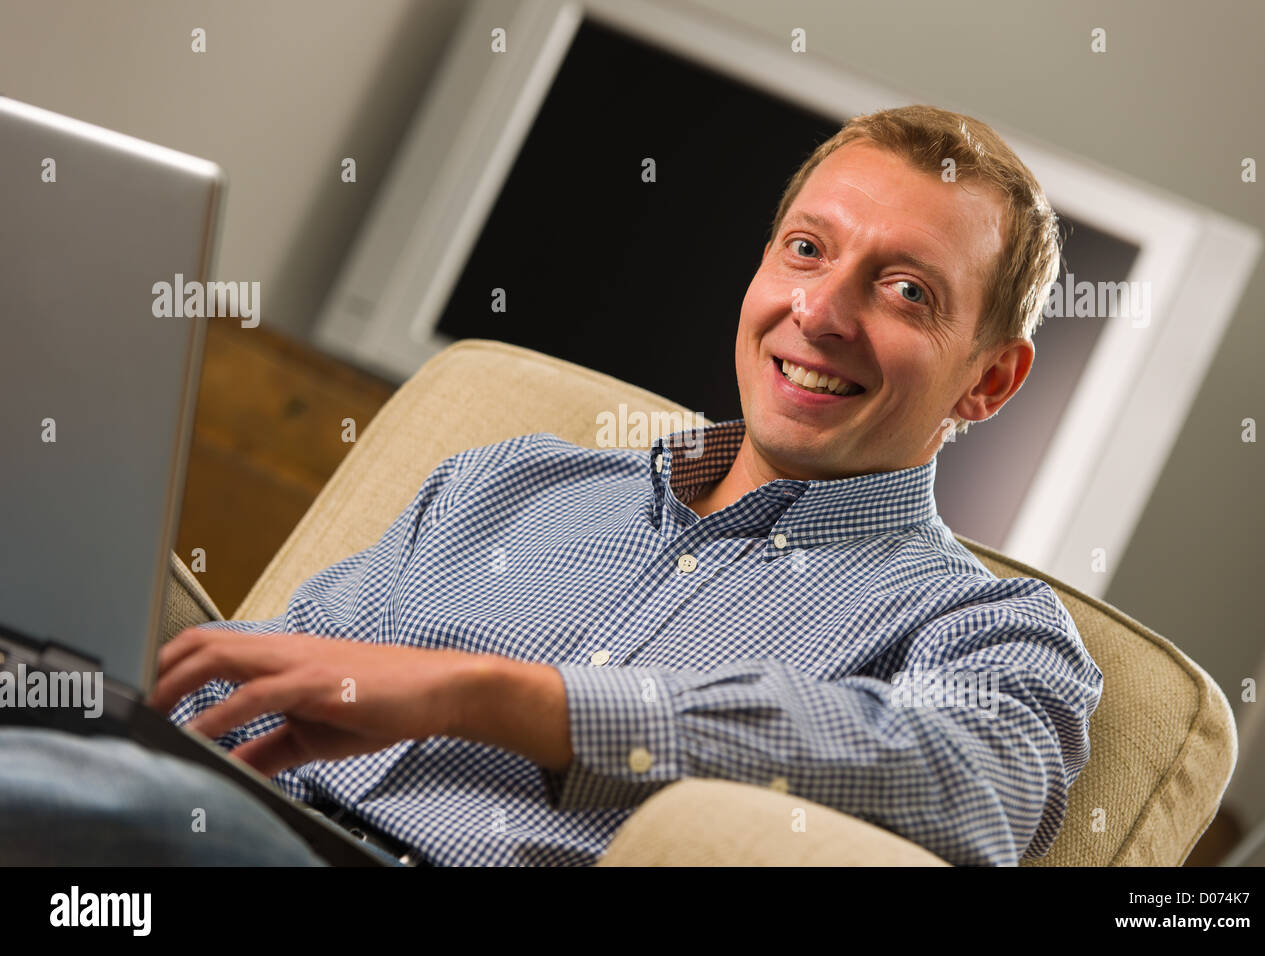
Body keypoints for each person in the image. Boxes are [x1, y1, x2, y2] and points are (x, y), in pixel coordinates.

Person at [4, 104, 1103, 867]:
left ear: (990, 380)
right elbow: (241, 701)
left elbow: (959, 776)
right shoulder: (509, 483)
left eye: (905, 289)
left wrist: (496, 696)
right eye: (806, 250)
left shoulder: (987, 627)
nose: (820, 310)